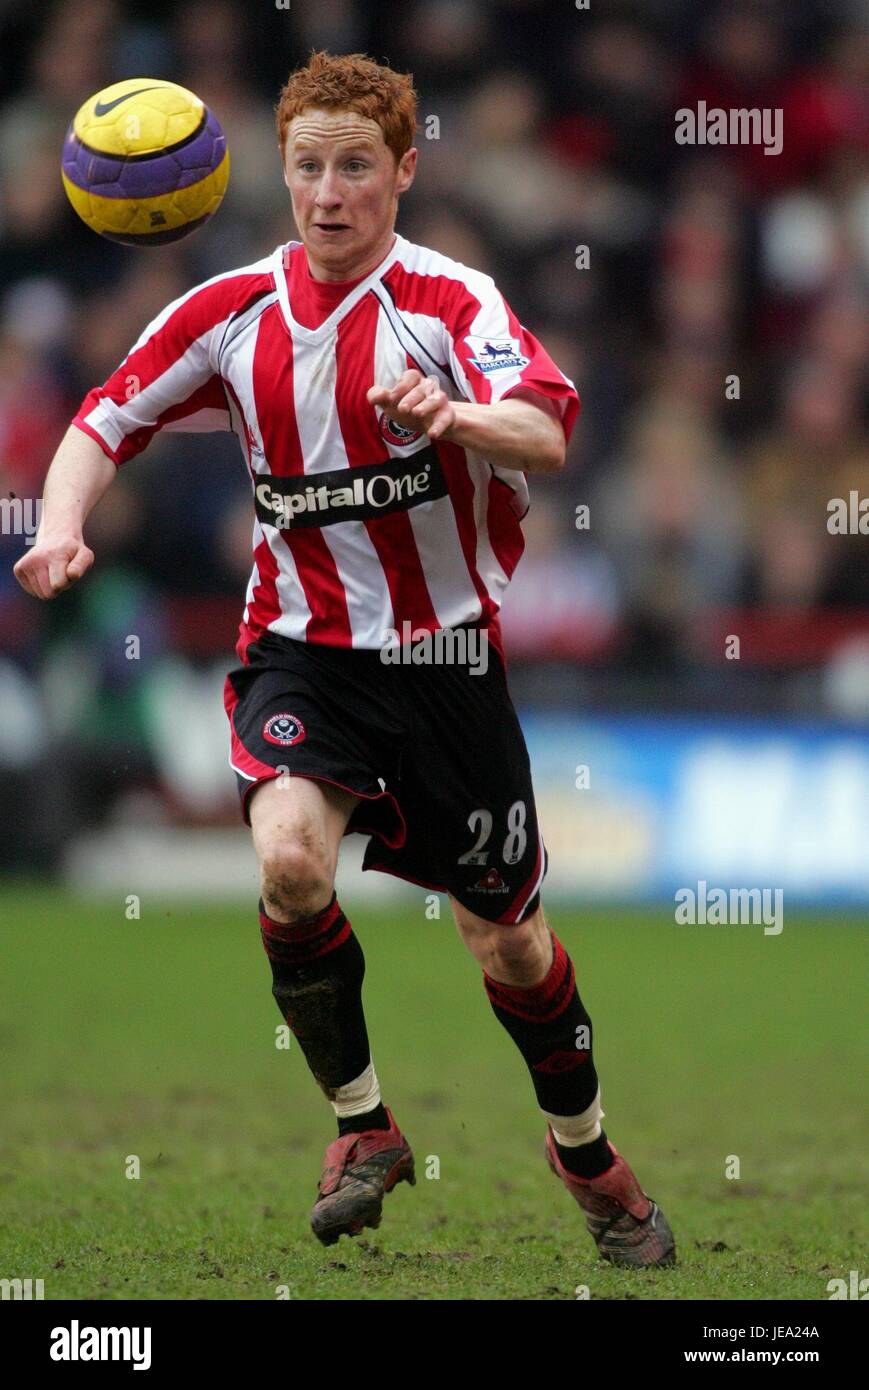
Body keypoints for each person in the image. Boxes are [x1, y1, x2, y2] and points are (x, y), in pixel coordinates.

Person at [13, 51, 674, 1268]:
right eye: (307, 166)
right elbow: (100, 421)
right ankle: (362, 1126)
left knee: (509, 947)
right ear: (280, 171)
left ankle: (583, 1149)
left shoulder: (451, 303)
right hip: (299, 655)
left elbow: (547, 427)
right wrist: (60, 525)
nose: (327, 192)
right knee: (288, 867)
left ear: (405, 171)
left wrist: (453, 416)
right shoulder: (226, 313)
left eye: (355, 166)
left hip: (445, 665)